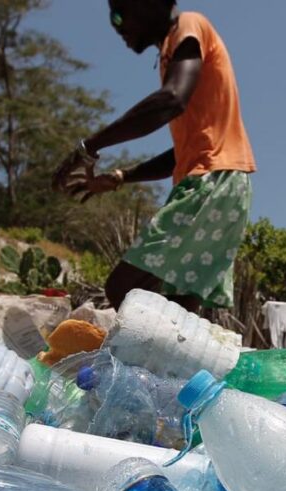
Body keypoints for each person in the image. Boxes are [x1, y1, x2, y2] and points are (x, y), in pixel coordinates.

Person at [52, 0, 255, 312]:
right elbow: (185, 151)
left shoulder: (189, 24)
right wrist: (122, 177)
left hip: (213, 180)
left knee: (126, 289)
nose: (115, 24)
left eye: (119, 12)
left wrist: (89, 147)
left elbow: (171, 99)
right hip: (222, 182)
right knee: (178, 310)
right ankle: (184, 362)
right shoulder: (171, 53)